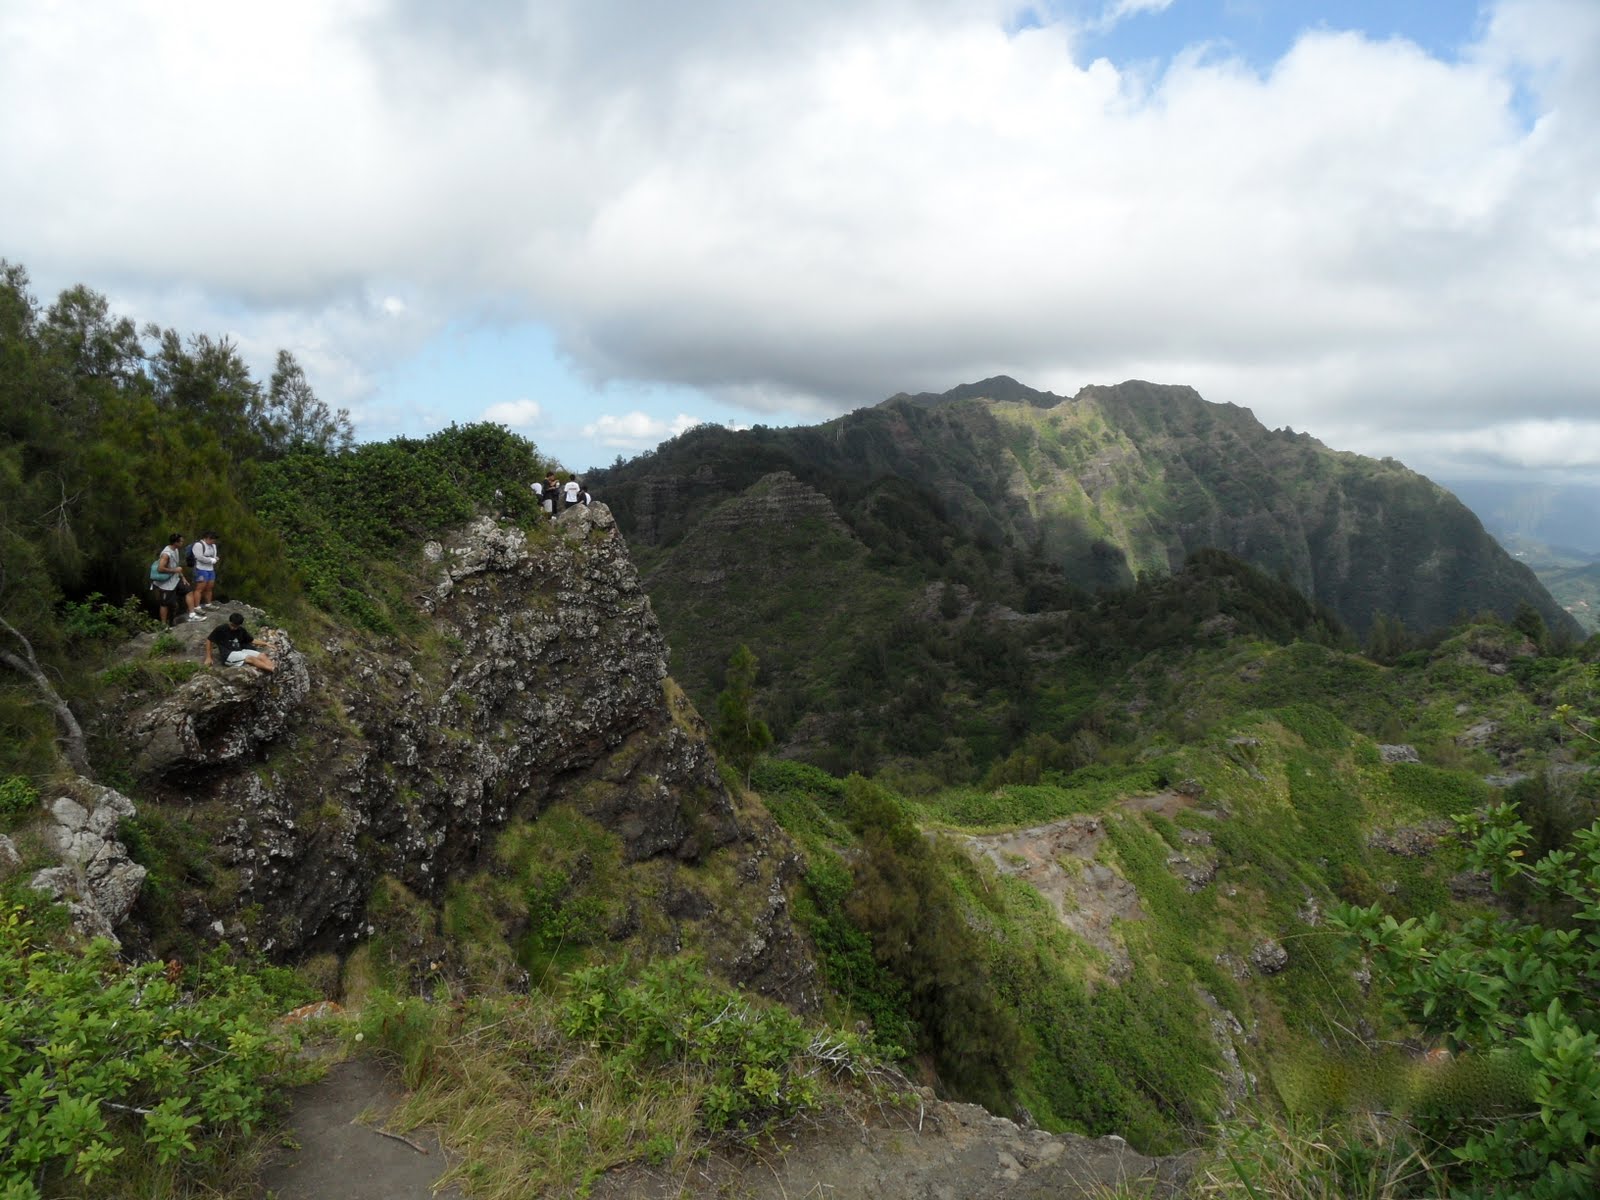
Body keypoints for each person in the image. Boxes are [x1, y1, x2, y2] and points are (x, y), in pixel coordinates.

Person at [204, 612, 277, 673]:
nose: (234, 628)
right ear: (229, 622)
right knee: (251, 659)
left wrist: (266, 644)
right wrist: (208, 657)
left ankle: (273, 668)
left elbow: (251, 640)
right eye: (232, 625)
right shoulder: (221, 629)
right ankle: (271, 669)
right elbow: (209, 640)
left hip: (240, 650)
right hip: (228, 655)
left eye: (236, 626)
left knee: (262, 655)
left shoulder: (241, 630)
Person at [151, 533, 197, 626]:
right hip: (166, 583)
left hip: (175, 579)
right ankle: (163, 625)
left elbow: (176, 565)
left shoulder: (175, 550)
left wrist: (183, 577)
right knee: (165, 604)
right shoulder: (166, 554)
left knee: (188, 590)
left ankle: (192, 615)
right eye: (181, 541)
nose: (183, 543)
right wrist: (174, 570)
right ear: (176, 542)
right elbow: (160, 568)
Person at [190, 533, 220, 611]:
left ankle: (208, 604)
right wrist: (210, 560)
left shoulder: (213, 546)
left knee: (209, 587)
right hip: (201, 568)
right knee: (200, 588)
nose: (213, 542)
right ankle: (196, 606)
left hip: (210, 569)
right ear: (207, 538)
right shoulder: (199, 545)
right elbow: (199, 557)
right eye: (212, 540)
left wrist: (215, 559)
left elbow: (214, 555)